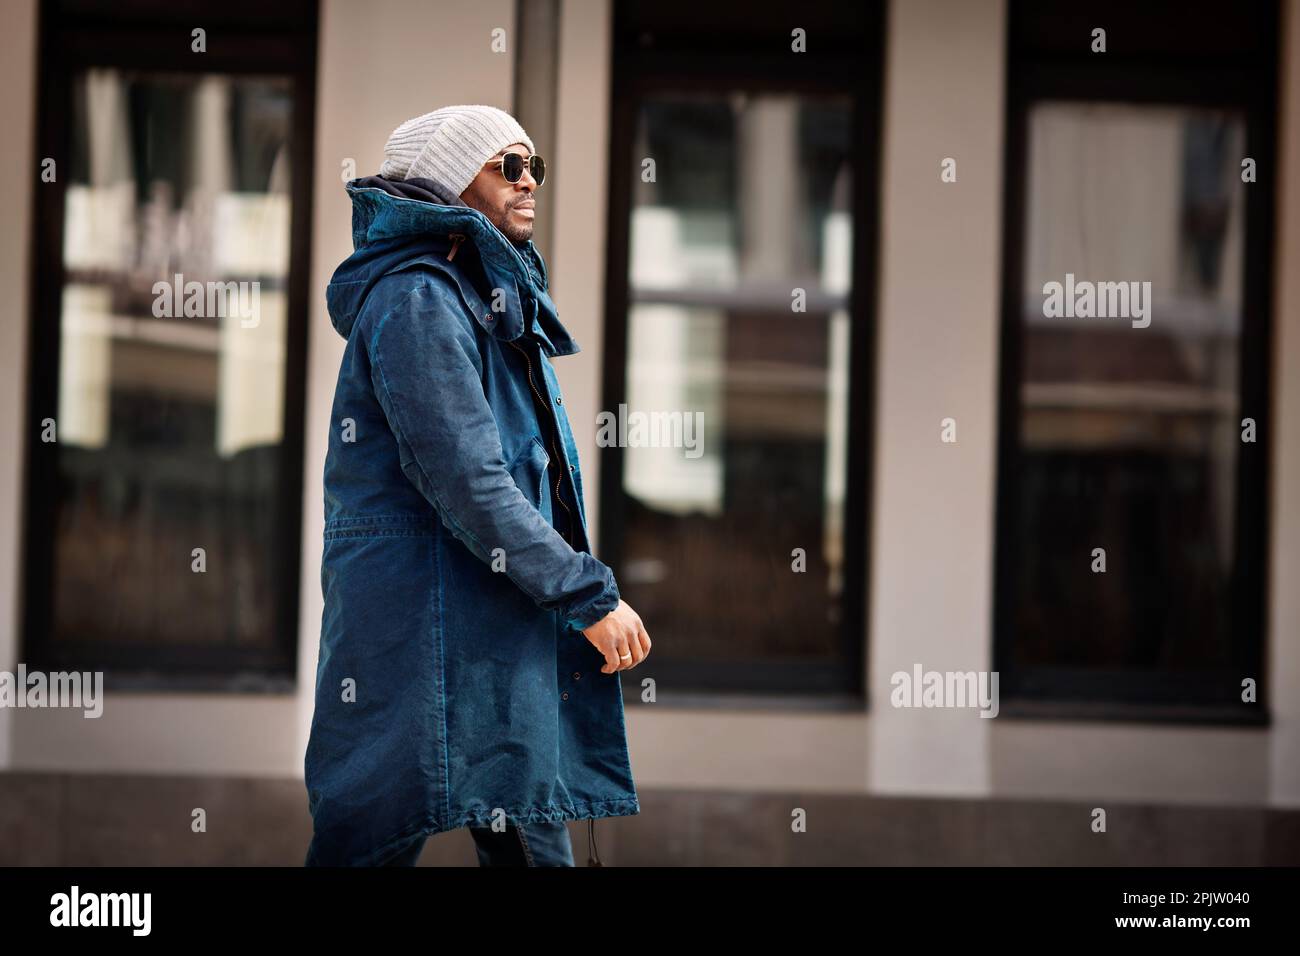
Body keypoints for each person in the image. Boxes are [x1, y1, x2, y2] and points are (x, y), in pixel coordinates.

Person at [304, 105, 650, 867]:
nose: (530, 183)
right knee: (372, 837)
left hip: (482, 623)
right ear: (450, 178)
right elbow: (468, 479)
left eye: (536, 167)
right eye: (509, 166)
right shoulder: (420, 299)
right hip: (428, 627)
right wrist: (585, 594)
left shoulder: (471, 293)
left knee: (515, 821)